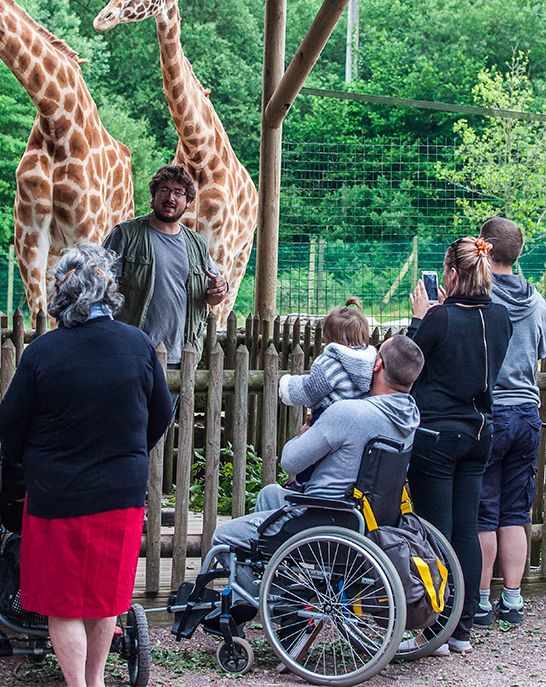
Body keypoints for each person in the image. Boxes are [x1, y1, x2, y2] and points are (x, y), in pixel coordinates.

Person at [0, 243, 173, 687]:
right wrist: (132, 450)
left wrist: (29, 460)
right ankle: (95, 683)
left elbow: (9, 425)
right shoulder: (138, 345)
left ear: (62, 293)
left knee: (62, 605)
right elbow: (162, 413)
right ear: (106, 288)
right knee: (104, 600)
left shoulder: (43, 352)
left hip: (58, 495)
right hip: (121, 494)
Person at [211, 336, 423, 553]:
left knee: (224, 538)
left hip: (321, 518)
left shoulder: (350, 413)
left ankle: (271, 586)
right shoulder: (410, 418)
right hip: (369, 520)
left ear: (377, 365)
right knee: (270, 494)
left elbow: (291, 462)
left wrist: (304, 435)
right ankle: (273, 576)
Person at [405, 236, 511, 654]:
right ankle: (461, 630)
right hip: (480, 432)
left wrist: (419, 317)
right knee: (467, 529)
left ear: (450, 274)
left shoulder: (439, 318)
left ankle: (436, 627)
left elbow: (406, 365)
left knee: (435, 531)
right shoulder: (502, 317)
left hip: (436, 436)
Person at [473, 218, 546, 628]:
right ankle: (514, 600)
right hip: (526, 413)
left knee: (485, 511)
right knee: (515, 512)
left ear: (483, 247)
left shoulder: (480, 295)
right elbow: (540, 349)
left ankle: (482, 601)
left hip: (491, 412)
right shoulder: (536, 300)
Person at [102, 165, 228, 367]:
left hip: (181, 357)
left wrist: (220, 289)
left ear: (188, 202)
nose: (170, 197)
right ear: (153, 196)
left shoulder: (197, 244)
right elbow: (98, 287)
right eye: (164, 190)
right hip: (130, 353)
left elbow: (213, 295)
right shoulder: (125, 234)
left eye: (178, 192)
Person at [279, 298, 376, 489]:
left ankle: (302, 482)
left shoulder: (330, 361)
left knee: (311, 452)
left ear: (329, 337)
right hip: (358, 421)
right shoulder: (370, 360)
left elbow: (312, 390)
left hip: (330, 415)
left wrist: (287, 386)